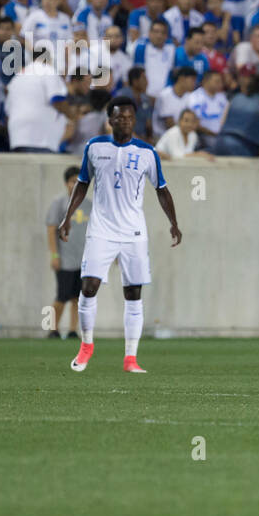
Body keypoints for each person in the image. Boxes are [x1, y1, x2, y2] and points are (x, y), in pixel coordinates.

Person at [56, 96, 183, 374]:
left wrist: (173, 222)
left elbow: (161, 189)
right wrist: (67, 217)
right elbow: (82, 184)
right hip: (101, 230)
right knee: (88, 286)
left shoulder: (148, 152)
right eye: (119, 117)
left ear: (134, 120)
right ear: (110, 120)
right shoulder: (95, 147)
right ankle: (87, 345)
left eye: (129, 117)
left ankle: (130, 358)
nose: (124, 121)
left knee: (133, 292)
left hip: (134, 233)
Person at [45, 165, 90, 340]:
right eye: (72, 181)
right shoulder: (59, 203)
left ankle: (73, 330)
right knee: (61, 297)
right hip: (65, 259)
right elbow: (51, 229)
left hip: (83, 259)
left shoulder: (89, 205)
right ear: (66, 183)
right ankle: (51, 328)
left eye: (79, 181)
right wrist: (54, 255)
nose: (76, 185)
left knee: (78, 298)